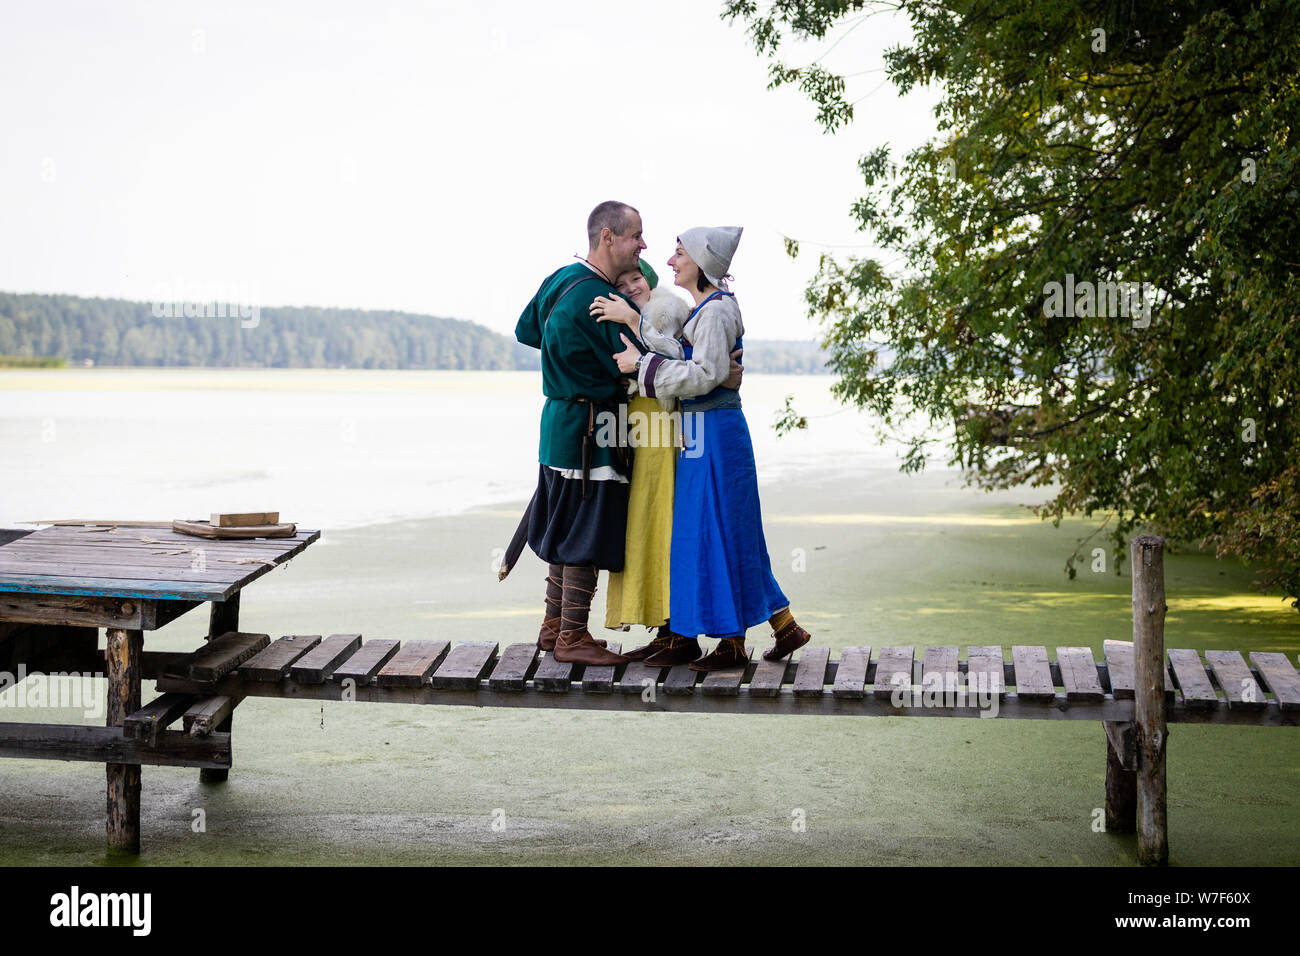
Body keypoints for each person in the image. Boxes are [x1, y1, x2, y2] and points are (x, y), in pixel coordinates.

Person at [609, 226, 812, 670]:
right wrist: (635, 329)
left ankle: (733, 641)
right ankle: (778, 624)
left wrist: (641, 365)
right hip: (700, 430)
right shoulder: (706, 310)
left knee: (720, 530)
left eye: (678, 253)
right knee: (711, 531)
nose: (669, 262)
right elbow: (695, 364)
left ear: (701, 261)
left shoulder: (717, 313)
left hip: (716, 431)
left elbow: (703, 374)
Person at [512, 200, 646, 666]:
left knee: (565, 528)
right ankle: (572, 636)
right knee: (583, 535)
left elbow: (526, 330)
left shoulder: (559, 279)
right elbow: (645, 359)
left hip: (558, 425)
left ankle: (553, 627)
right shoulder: (606, 302)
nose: (643, 245)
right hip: (594, 430)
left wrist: (565, 352)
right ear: (608, 236)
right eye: (635, 236)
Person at [588, 260, 742, 664]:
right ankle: (665, 626)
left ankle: (680, 630)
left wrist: (635, 324)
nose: (632, 286)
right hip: (637, 428)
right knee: (645, 527)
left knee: (667, 523)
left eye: (637, 278)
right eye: (623, 282)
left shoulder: (668, 310)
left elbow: (685, 359)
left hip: (666, 426)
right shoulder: (621, 314)